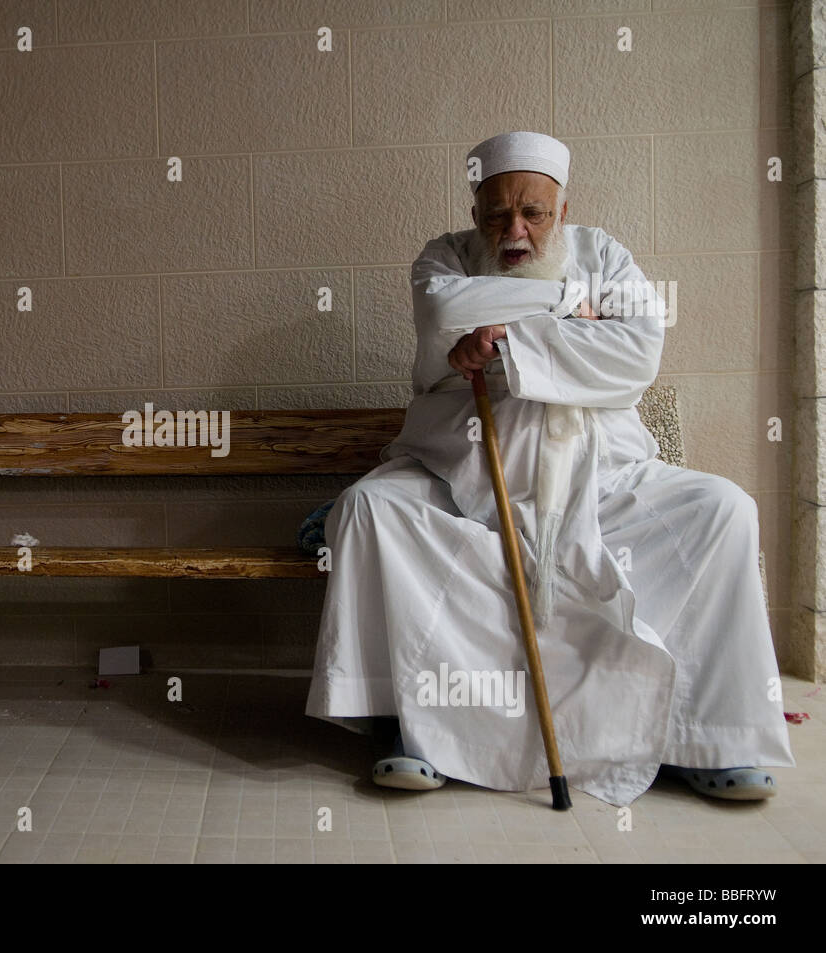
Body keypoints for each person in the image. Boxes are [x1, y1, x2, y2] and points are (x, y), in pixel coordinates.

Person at [305, 131, 795, 806]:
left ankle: (706, 736)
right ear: (474, 212)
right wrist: (569, 310)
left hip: (600, 479)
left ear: (563, 210)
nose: (514, 230)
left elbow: (639, 351)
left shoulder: (605, 254)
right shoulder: (443, 256)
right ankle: (401, 722)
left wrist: (504, 335)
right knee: (368, 511)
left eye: (533, 213)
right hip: (461, 473)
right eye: (497, 213)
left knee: (726, 509)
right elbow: (446, 310)